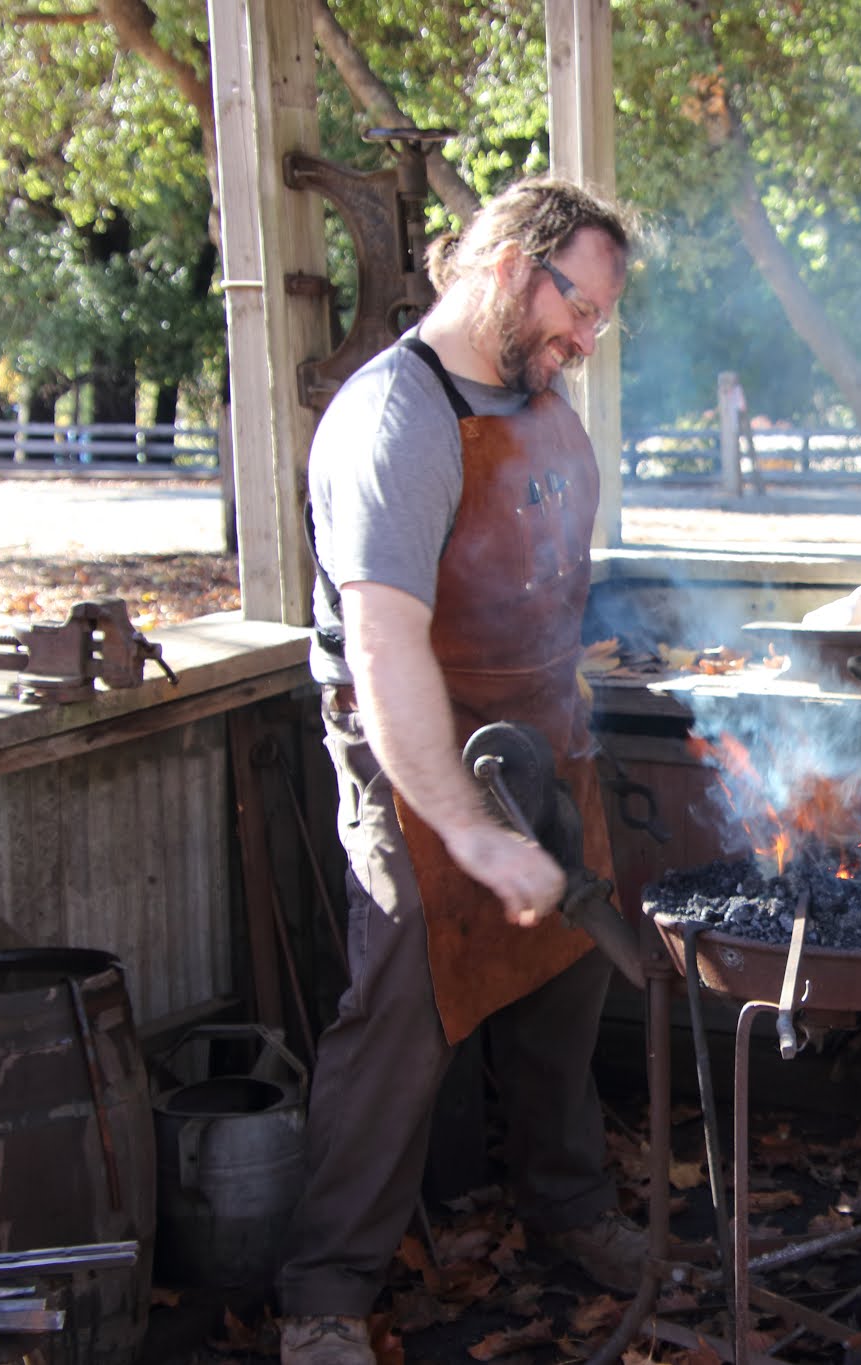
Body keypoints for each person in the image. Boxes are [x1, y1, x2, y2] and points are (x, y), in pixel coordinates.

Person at [277, 177, 640, 1365]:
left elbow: (536, 558)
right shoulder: (398, 420)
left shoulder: (532, 394)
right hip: (418, 748)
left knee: (565, 976)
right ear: (507, 266)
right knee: (401, 1012)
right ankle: (325, 1294)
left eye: (597, 322)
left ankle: (566, 1209)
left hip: (544, 730)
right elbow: (384, 648)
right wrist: (469, 830)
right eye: (576, 309)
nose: (585, 342)